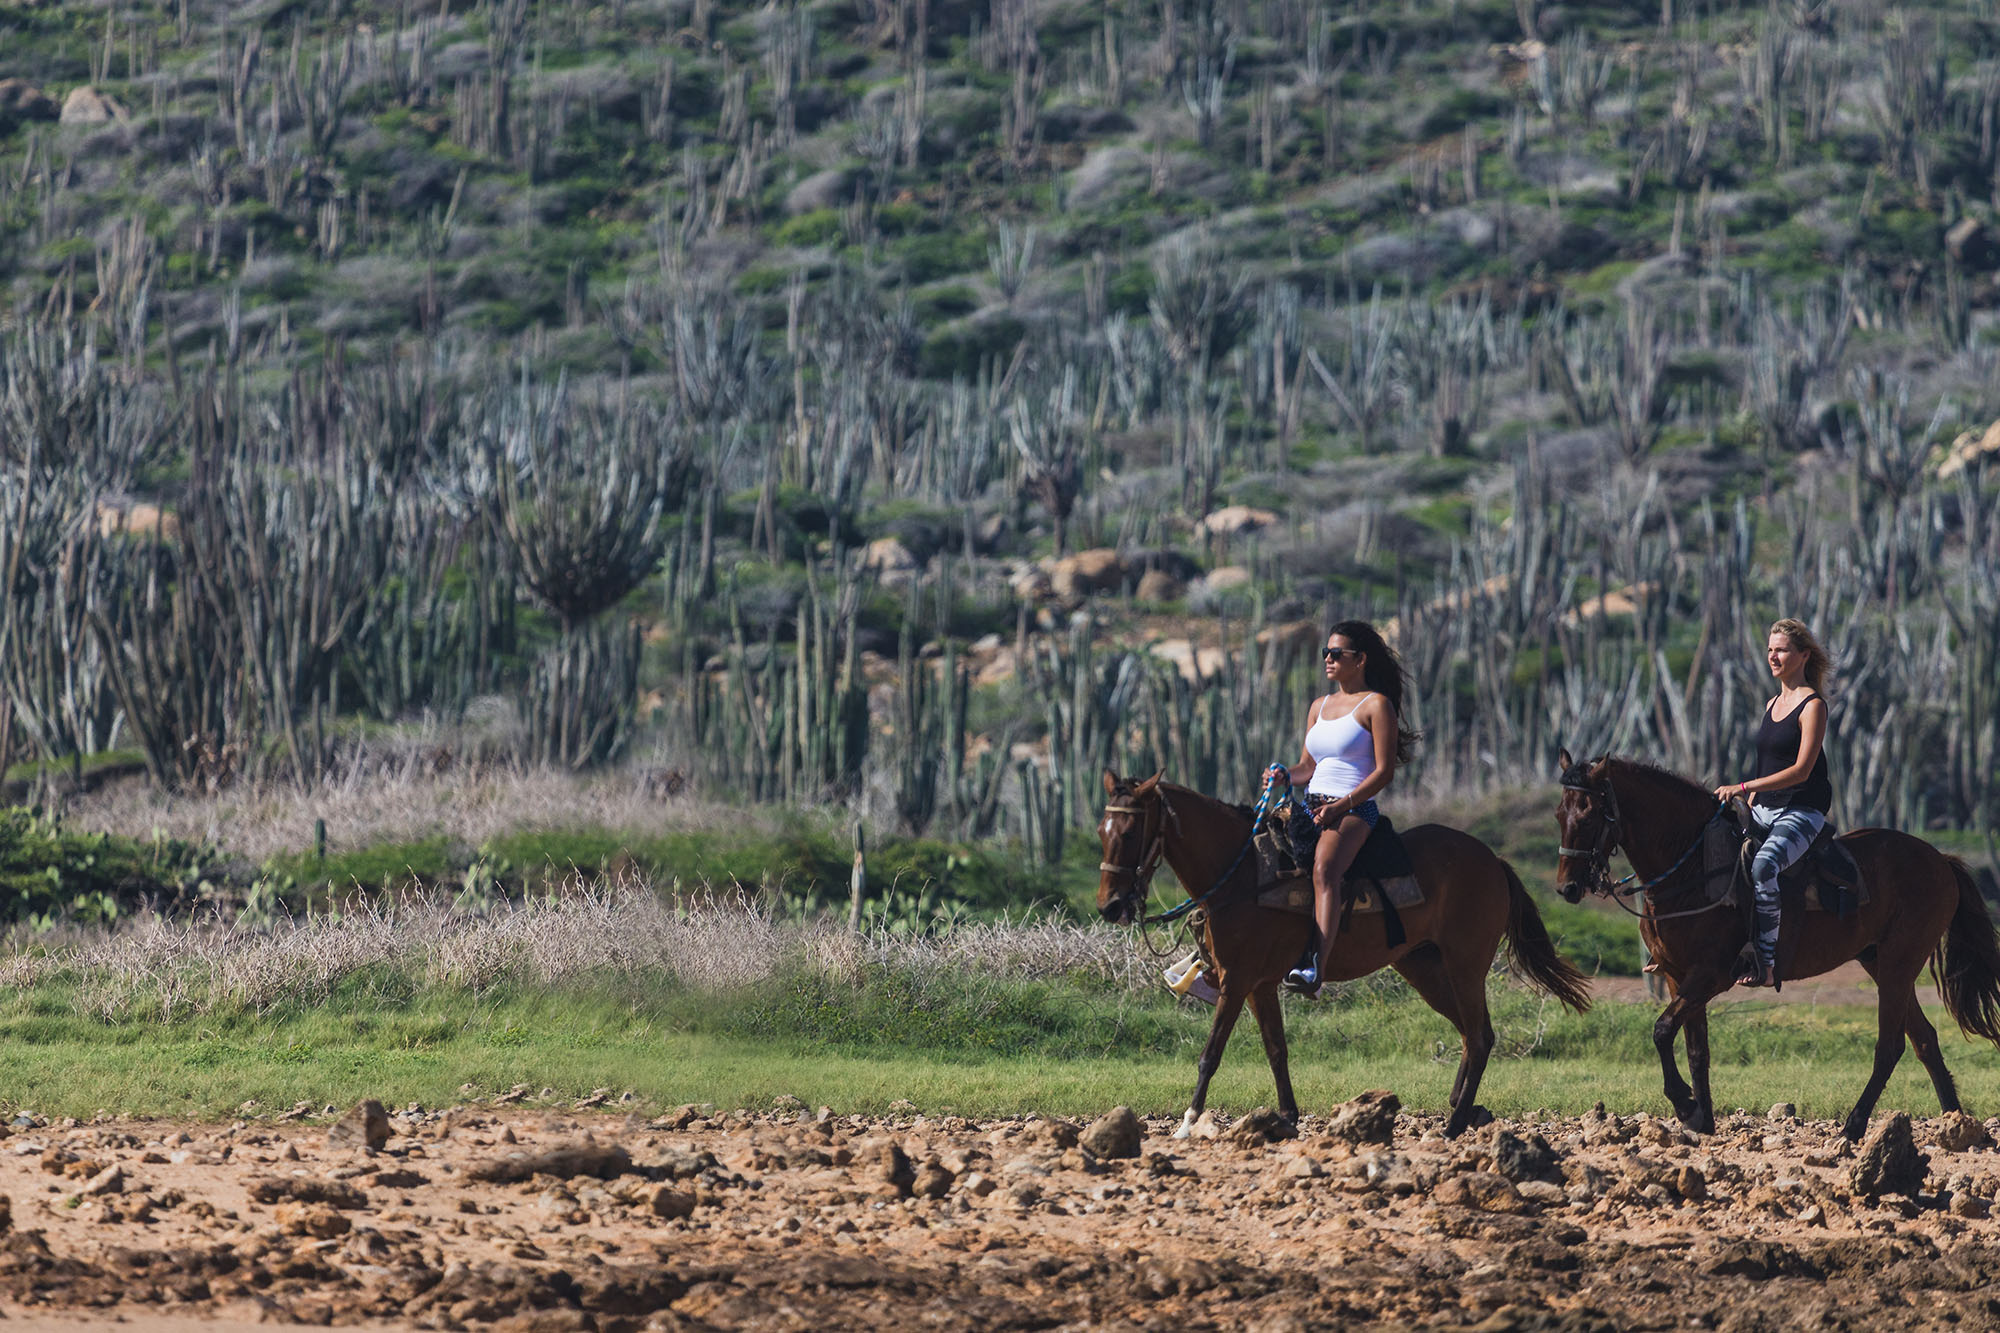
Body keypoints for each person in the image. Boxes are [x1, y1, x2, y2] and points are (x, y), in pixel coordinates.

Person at [1265, 620, 1416, 995]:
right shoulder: (1319, 706)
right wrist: (1285, 774)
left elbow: (1383, 774)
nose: (1328, 660)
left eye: (1337, 654)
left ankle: (1315, 966)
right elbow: (1308, 766)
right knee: (1260, 861)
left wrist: (1342, 806)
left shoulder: (1376, 706)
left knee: (1325, 870)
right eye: (1325, 654)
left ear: (1360, 660)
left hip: (1354, 810)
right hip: (1312, 805)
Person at [1712, 618, 1834, 989]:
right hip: (1763, 806)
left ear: (1803, 655)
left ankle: (1766, 962)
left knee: (1764, 866)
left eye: (1780, 649)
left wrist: (1743, 784)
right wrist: (1749, 799)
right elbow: (1769, 761)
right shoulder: (1772, 703)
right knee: (1713, 851)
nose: (1773, 656)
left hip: (1802, 809)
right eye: (1769, 650)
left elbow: (1800, 771)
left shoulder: (1813, 705)